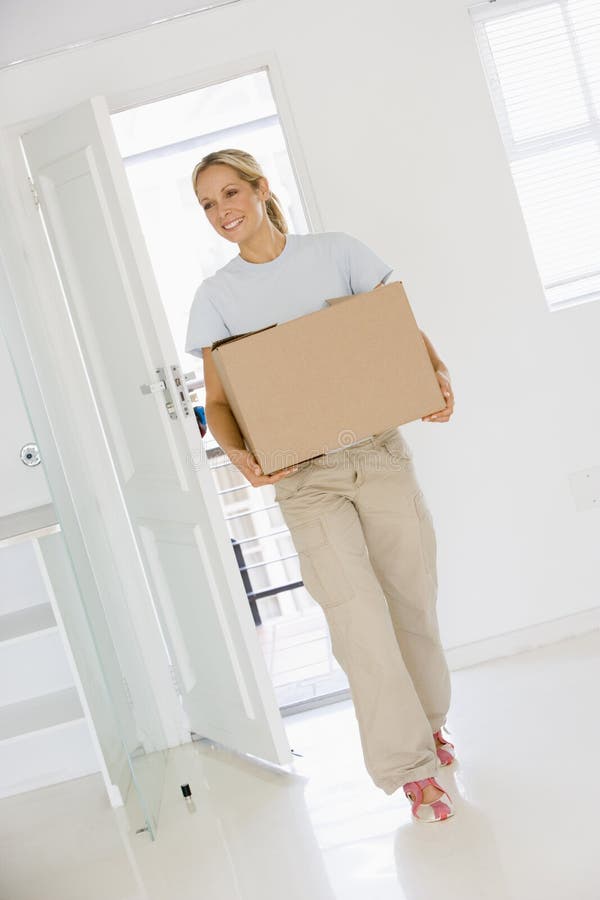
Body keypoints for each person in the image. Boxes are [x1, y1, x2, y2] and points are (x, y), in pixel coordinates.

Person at [185, 149, 457, 823]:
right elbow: (217, 402)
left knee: (411, 601)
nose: (223, 212)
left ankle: (429, 722)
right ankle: (408, 767)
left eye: (229, 193)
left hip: (380, 451)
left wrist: (437, 376)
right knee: (357, 619)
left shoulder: (336, 253)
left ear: (260, 187)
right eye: (208, 205)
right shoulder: (216, 297)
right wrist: (241, 457)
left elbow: (396, 327)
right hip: (306, 480)